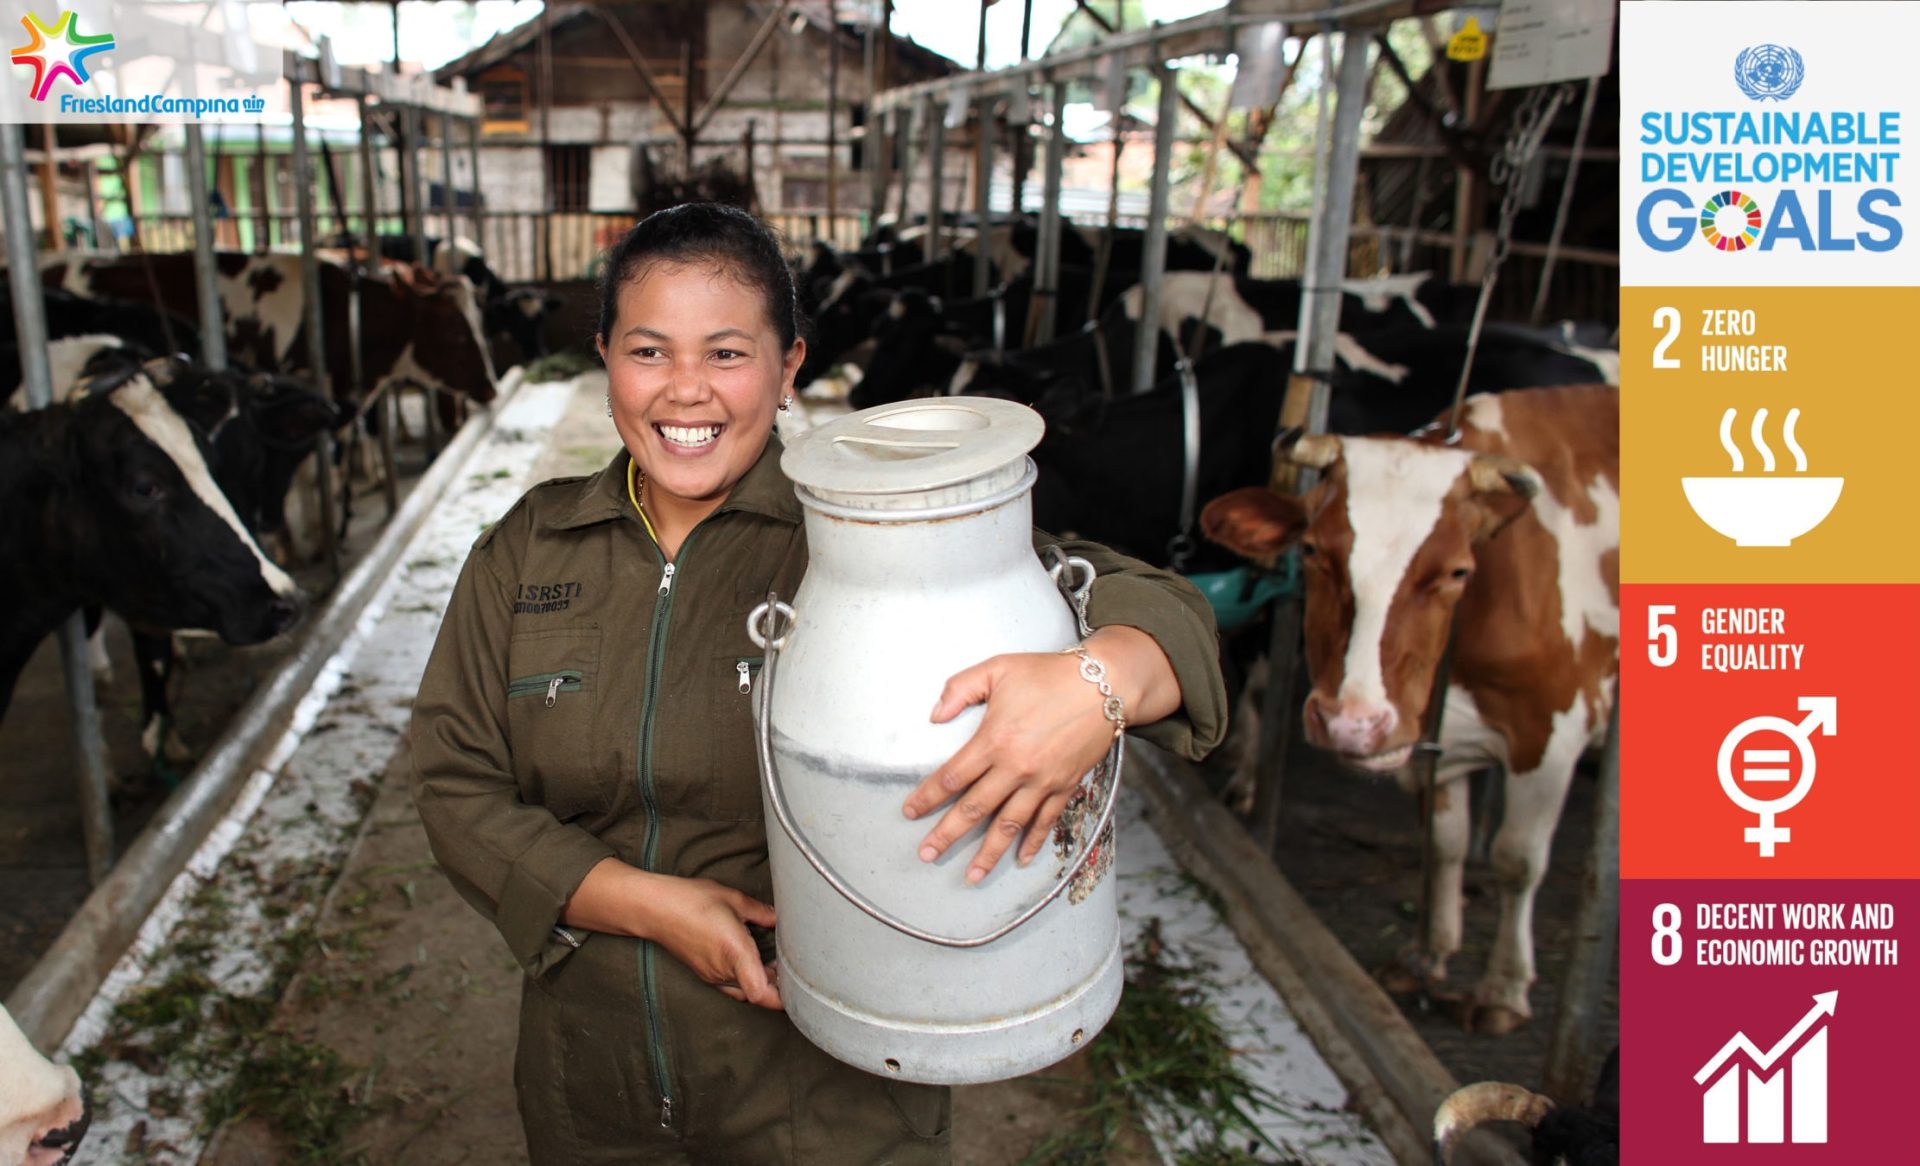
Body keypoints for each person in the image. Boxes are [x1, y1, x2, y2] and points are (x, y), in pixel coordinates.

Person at [409, 203, 1227, 1164]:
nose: (685, 392)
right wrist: (651, 904)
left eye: (726, 354)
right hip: (590, 1083)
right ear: (603, 360)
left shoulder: (870, 531)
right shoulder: (530, 547)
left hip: (830, 1098)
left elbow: (1159, 610)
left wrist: (1102, 678)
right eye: (648, 352)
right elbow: (455, 786)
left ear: (790, 365)